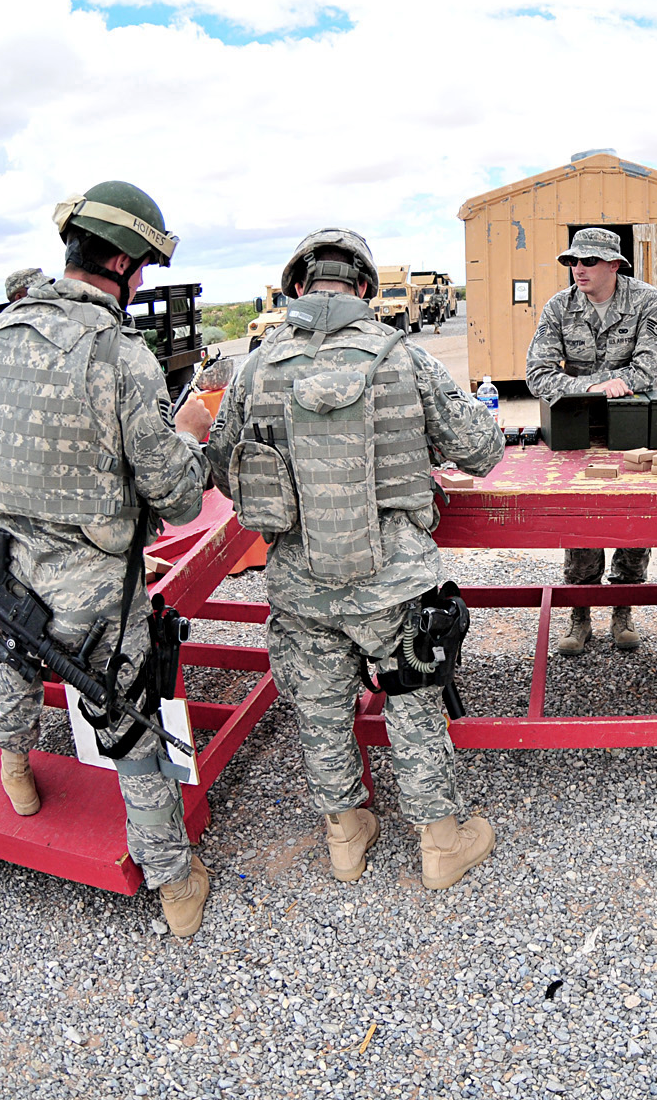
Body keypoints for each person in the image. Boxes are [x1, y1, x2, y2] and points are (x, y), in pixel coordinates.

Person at [208, 228, 504, 889]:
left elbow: (224, 470)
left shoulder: (255, 368)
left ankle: (346, 838)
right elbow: (482, 450)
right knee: (413, 700)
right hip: (392, 581)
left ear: (297, 286)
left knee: (320, 708)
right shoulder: (404, 357)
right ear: (365, 288)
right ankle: (440, 844)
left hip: (300, 581)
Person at [0, 181, 215, 936]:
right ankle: (174, 884)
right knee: (132, 725)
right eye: (143, 268)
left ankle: (15, 765)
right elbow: (178, 500)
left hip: (1, 571)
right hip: (93, 591)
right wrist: (190, 440)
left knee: (13, 661)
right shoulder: (121, 357)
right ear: (122, 263)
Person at [524, 228, 657, 655]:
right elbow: (537, 373)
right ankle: (580, 614)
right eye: (573, 261)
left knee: (634, 521)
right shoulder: (559, 306)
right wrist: (595, 386)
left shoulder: (645, 300)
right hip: (578, 429)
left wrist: (595, 383)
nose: (578, 269)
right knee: (582, 521)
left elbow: (648, 369)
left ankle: (623, 610)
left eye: (588, 261)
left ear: (614, 265)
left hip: (633, 428)